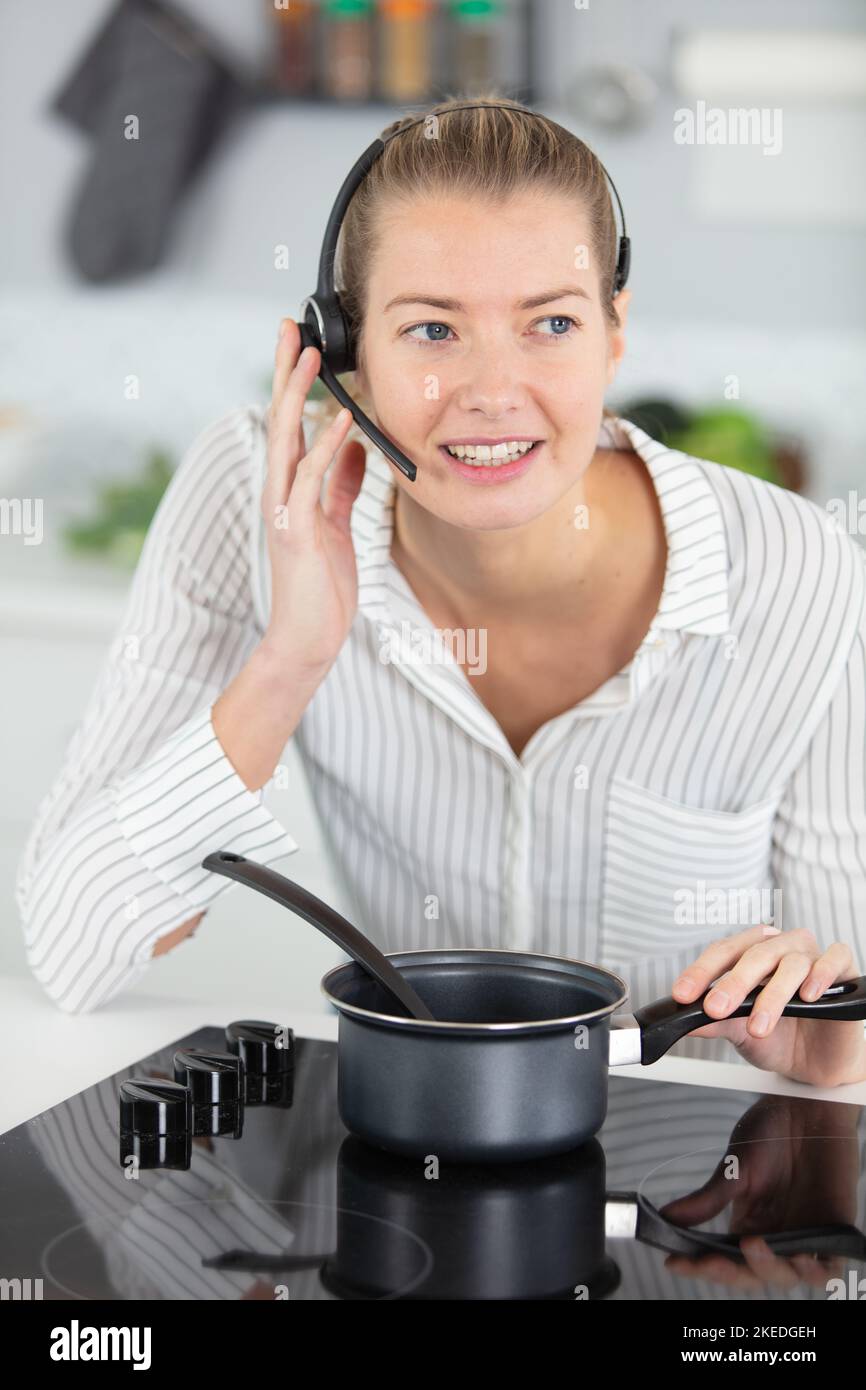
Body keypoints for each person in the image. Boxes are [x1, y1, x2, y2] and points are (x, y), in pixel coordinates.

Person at [15, 97, 866, 1087]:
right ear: (342, 358)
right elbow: (73, 953)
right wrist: (289, 659)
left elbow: (845, 993)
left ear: (613, 333)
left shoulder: (801, 570)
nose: (492, 390)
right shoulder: (251, 496)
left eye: (550, 322)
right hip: (408, 1156)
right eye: (430, 330)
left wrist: (829, 1044)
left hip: (683, 1192)